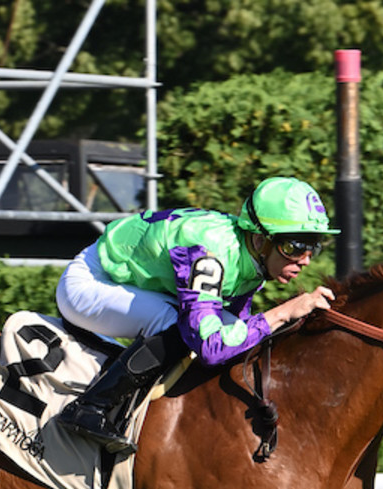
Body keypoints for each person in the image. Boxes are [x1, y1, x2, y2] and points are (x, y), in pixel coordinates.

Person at [54, 175, 339, 452]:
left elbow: (239, 328)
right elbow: (209, 348)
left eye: (313, 247)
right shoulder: (210, 253)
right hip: (90, 283)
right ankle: (91, 407)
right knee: (177, 324)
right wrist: (284, 312)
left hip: (132, 285)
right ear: (260, 239)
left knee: (235, 331)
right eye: (293, 247)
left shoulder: (254, 259)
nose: (305, 260)